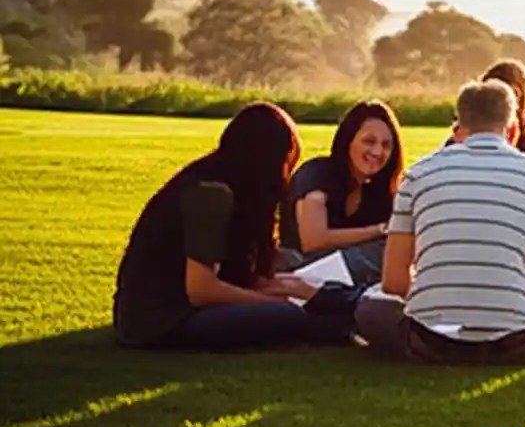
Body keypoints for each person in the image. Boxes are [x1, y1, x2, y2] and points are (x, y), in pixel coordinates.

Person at [354, 80, 525, 365]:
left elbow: (394, 281)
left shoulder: (418, 175)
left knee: (368, 308)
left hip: (431, 341)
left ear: (459, 128)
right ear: (512, 130)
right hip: (515, 342)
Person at [112, 102, 352, 350]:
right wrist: (263, 300)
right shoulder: (210, 193)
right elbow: (201, 289)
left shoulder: (228, 187)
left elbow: (237, 276)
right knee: (286, 315)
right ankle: (331, 328)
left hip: (179, 311)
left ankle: (336, 319)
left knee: (290, 283)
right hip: (164, 321)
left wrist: (288, 288)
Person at [277, 101, 404, 285]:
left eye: (386, 145)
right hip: (301, 267)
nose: (377, 151)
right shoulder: (317, 173)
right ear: (348, 140)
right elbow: (313, 240)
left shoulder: (380, 192)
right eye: (369, 141)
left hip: (348, 280)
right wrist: (379, 230)